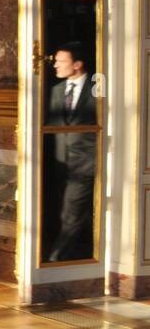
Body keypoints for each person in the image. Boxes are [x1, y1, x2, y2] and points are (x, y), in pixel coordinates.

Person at [46, 42, 97, 261]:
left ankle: (55, 260)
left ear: (77, 65)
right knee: (72, 213)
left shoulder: (97, 86)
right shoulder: (56, 91)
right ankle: (81, 255)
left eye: (61, 61)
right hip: (60, 164)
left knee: (71, 214)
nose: (55, 65)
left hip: (85, 164)